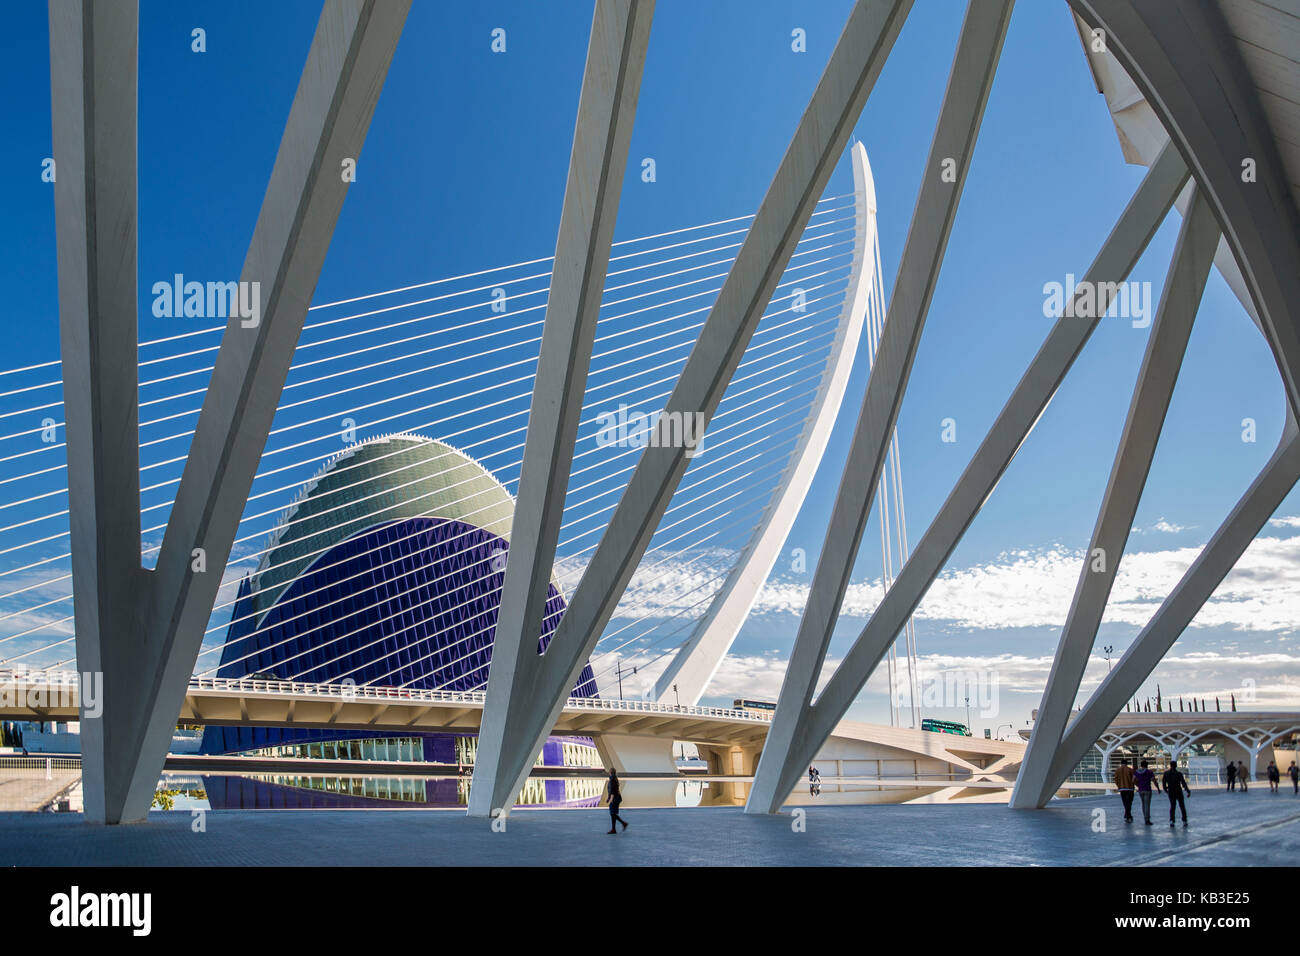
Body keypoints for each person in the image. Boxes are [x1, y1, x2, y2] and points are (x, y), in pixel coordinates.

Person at [1162, 761, 1190, 828]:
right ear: (1176, 765)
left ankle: (1172, 821)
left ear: (1170, 765)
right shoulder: (1179, 774)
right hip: (1178, 791)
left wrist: (1166, 790)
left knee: (1172, 806)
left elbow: (1164, 783)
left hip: (1171, 791)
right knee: (1182, 806)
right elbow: (1183, 783)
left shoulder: (1166, 773)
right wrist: (1187, 791)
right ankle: (1184, 820)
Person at [1134, 760, 1158, 825]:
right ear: (1146, 765)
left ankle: (1145, 817)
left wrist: (1138, 785)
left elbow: (1133, 780)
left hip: (1140, 790)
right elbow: (1154, 780)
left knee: (1143, 804)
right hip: (1147, 789)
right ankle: (1147, 819)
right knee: (1147, 805)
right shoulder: (1149, 772)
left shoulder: (1137, 772)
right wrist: (1158, 788)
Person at [605, 768, 628, 833]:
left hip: (615, 799)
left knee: (613, 814)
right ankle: (614, 829)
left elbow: (612, 790)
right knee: (613, 814)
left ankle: (623, 823)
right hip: (616, 798)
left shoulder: (612, 780)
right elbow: (611, 790)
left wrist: (611, 799)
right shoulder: (614, 779)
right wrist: (608, 798)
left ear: (610, 772)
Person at [1113, 758, 1136, 823]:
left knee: (1125, 802)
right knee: (1129, 802)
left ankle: (1127, 815)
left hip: (1122, 789)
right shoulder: (1130, 770)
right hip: (1130, 788)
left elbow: (1116, 780)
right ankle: (1128, 815)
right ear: (1126, 763)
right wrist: (1136, 785)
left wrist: (1119, 786)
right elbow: (1134, 779)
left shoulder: (1117, 770)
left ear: (1121, 763)